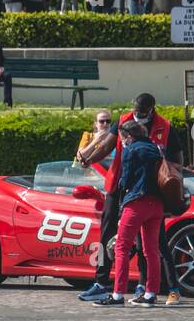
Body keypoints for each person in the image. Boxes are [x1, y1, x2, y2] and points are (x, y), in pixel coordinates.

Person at [77, 93, 180, 305]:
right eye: (134, 111)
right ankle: (104, 283)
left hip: (136, 195)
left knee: (130, 245)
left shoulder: (164, 128)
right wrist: (89, 160)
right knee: (111, 234)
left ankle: (126, 291)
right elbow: (106, 146)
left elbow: (177, 163)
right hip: (133, 193)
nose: (136, 115)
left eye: (140, 113)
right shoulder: (124, 121)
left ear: (151, 111)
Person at [92, 119, 165, 306]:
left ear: (129, 137)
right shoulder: (155, 148)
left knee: (121, 248)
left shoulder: (130, 150)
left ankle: (117, 295)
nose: (122, 141)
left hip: (136, 203)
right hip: (156, 204)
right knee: (151, 250)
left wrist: (120, 206)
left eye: (123, 138)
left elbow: (124, 180)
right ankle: (150, 294)